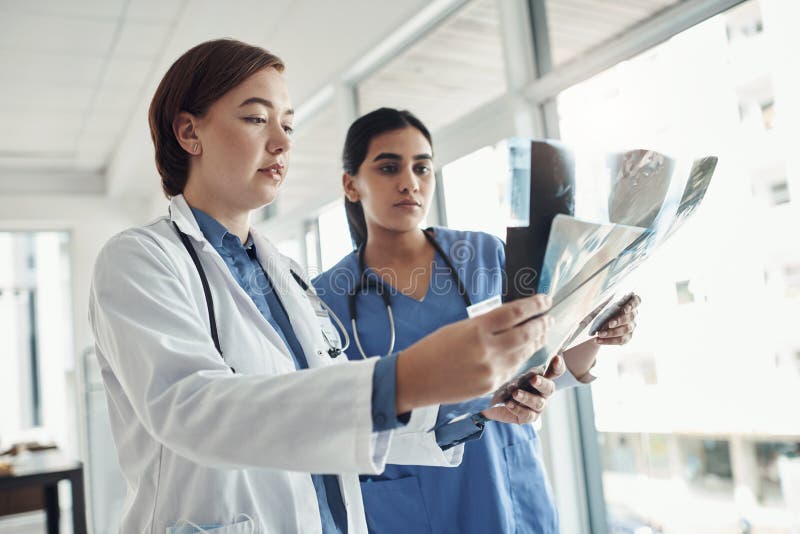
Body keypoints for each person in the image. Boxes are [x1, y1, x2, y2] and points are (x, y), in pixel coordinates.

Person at [88, 39, 555, 534]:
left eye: (287, 125)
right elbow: (193, 409)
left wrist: (466, 402)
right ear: (188, 132)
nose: (283, 142)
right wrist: (408, 377)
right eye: (256, 119)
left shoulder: (286, 275)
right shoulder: (139, 260)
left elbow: (329, 424)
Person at [312, 108, 641, 533]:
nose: (409, 181)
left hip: (510, 486)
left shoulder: (485, 256)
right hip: (411, 504)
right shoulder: (326, 299)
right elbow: (335, 425)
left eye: (422, 167)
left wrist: (599, 331)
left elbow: (542, 363)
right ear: (351, 184)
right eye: (388, 167)